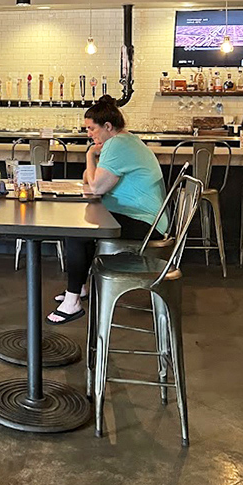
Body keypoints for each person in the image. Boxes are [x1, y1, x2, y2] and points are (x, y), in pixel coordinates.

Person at [46, 94, 167, 325]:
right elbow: (90, 182)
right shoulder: (125, 141)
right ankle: (79, 287)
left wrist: (90, 154)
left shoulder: (117, 144)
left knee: (76, 231)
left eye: (91, 129)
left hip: (145, 224)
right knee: (79, 227)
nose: (89, 134)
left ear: (108, 126)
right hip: (141, 217)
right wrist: (93, 166)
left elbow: (95, 187)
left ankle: (72, 302)